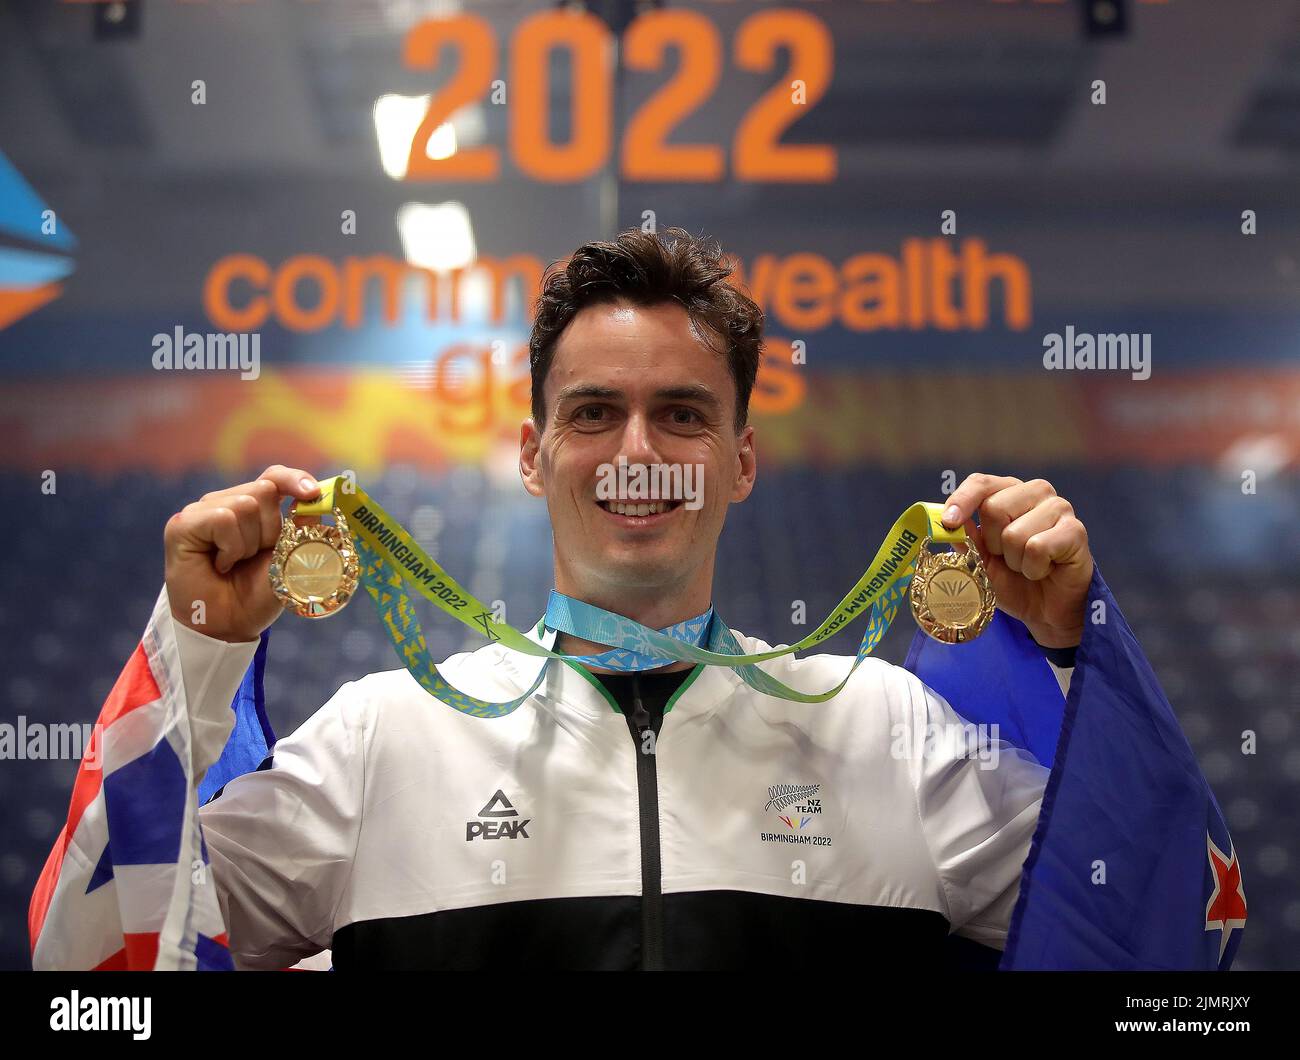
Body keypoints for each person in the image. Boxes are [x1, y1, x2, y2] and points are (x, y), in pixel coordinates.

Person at [37, 228, 1096, 970]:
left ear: (740, 461)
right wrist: (199, 649)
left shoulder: (887, 728)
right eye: (594, 413)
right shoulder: (382, 739)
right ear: (535, 458)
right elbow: (91, 968)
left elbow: (1166, 928)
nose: (637, 452)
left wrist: (1068, 652)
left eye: (681, 414)